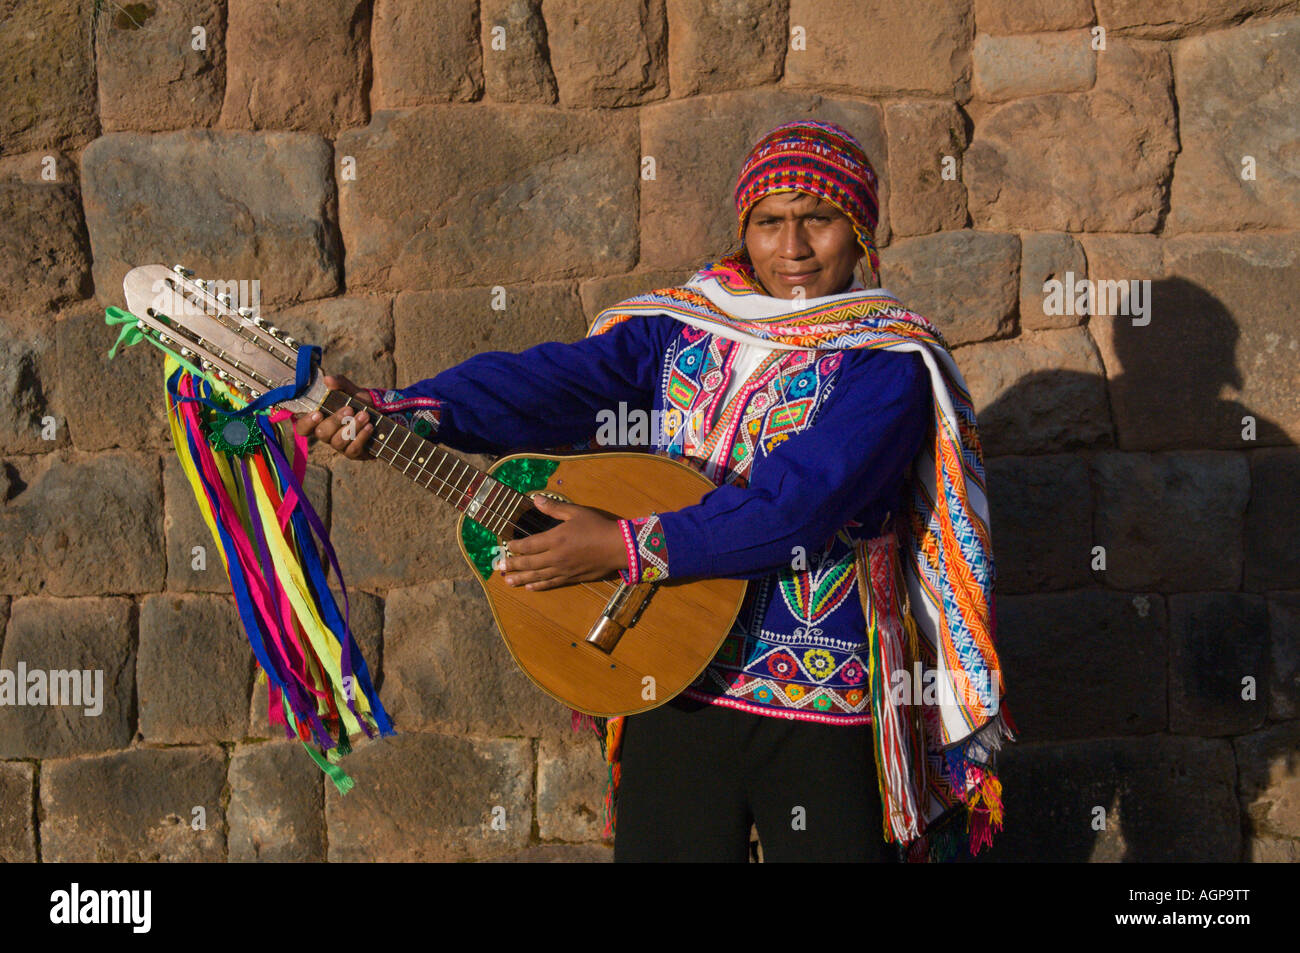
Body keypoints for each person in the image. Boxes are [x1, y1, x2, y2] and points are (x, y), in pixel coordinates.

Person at [295, 119, 1014, 863]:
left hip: (822, 701)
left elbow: (800, 502)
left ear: (859, 228)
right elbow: (553, 382)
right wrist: (410, 409)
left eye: (818, 220)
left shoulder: (886, 362)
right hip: (669, 673)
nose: (791, 247)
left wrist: (622, 544)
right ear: (745, 230)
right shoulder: (683, 328)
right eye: (769, 223)